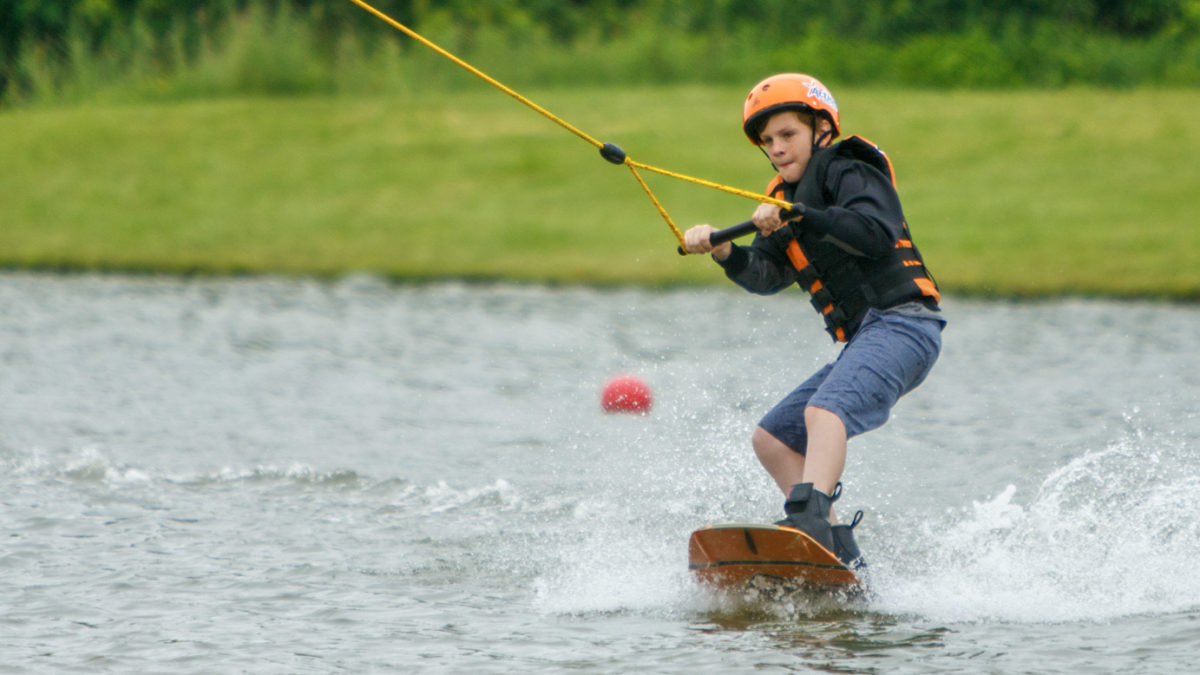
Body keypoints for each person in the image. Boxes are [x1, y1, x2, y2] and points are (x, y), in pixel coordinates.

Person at [682, 73, 945, 569]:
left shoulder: (851, 170)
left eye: (788, 135)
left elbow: (874, 232)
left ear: (821, 129)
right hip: (868, 339)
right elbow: (765, 276)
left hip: (907, 326)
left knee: (824, 414)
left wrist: (800, 213)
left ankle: (810, 520)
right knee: (774, 438)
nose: (777, 149)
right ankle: (833, 549)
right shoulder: (781, 199)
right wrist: (724, 252)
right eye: (768, 142)